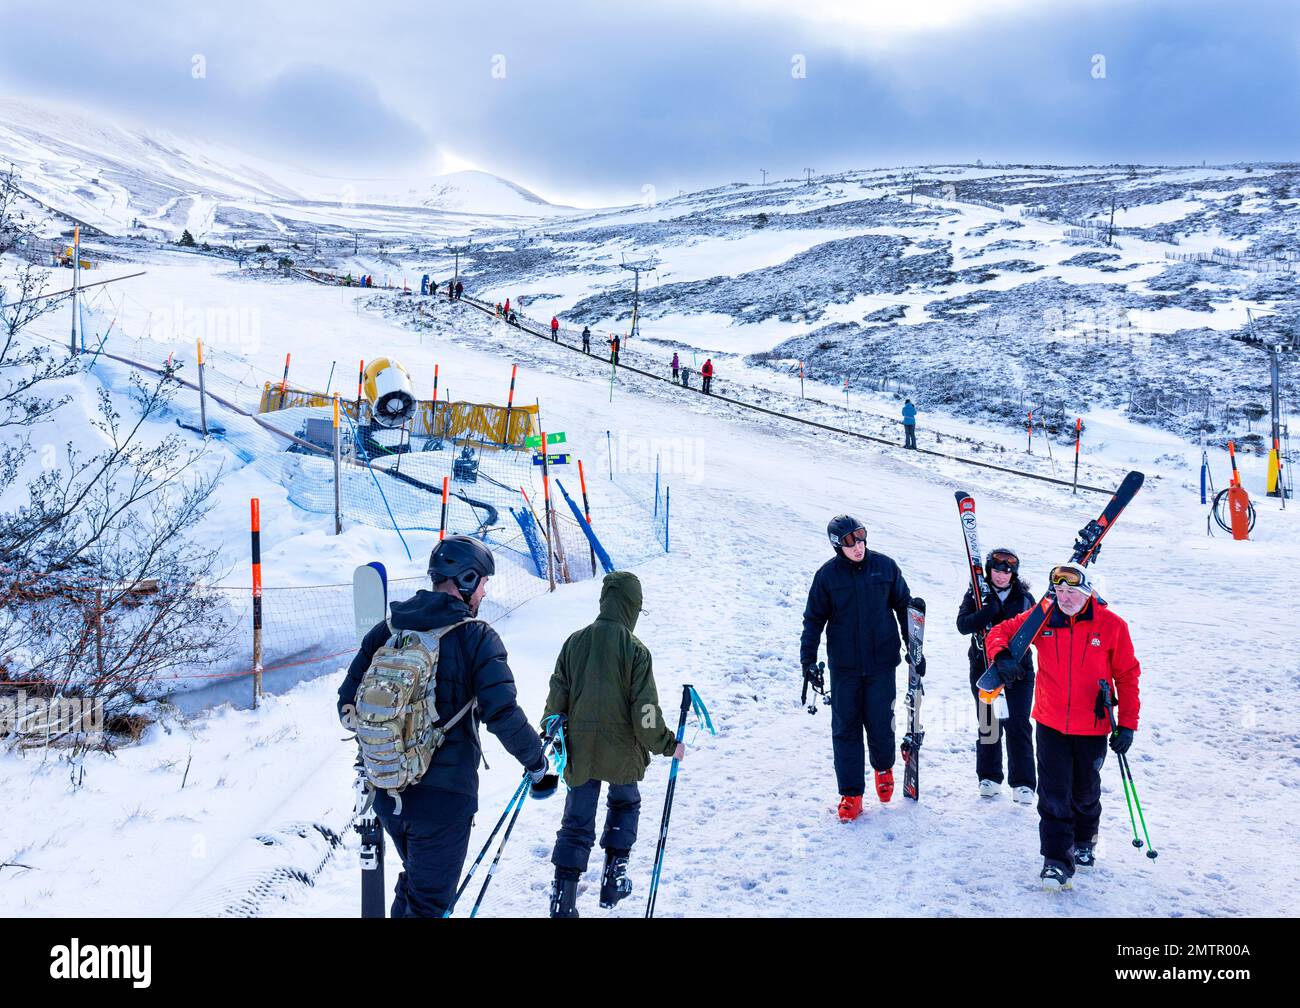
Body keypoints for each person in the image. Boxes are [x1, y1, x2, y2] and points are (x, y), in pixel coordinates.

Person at [337, 536, 548, 917]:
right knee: (429, 904)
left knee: (417, 888)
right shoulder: (477, 636)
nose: (485, 590)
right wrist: (537, 764)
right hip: (444, 802)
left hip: (388, 793)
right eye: (483, 581)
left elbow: (346, 706)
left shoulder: (386, 632)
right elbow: (502, 713)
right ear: (467, 580)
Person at [985, 562, 1142, 891]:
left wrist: (1127, 724)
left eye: (1071, 591)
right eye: (1058, 591)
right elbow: (998, 632)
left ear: (1087, 592)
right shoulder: (1043, 620)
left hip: (1093, 725)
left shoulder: (1111, 625)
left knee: (1084, 793)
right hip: (1051, 722)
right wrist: (1001, 656)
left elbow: (1127, 675)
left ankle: (1085, 839)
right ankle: (1056, 861)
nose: (1064, 597)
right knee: (1054, 795)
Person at [543, 571, 684, 917]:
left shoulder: (574, 642)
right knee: (624, 804)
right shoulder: (635, 650)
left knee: (576, 821)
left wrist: (550, 731)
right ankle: (613, 880)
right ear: (632, 606)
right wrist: (667, 744)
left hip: (581, 751)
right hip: (622, 752)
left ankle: (564, 898)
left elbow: (555, 701)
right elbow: (646, 713)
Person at [800, 515, 919, 821]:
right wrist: (808, 661)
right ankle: (851, 794)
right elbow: (813, 620)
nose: (859, 546)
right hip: (845, 668)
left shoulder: (886, 567)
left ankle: (883, 769)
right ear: (838, 545)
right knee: (845, 730)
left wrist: (914, 649)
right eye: (851, 542)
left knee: (881, 723)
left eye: (862, 538)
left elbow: (905, 607)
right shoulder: (827, 577)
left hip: (881, 664)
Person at [956, 548, 1035, 802]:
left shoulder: (1024, 598)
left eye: (1007, 572)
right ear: (989, 571)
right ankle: (989, 777)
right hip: (984, 667)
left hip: (1018, 670)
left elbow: (1035, 629)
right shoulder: (977, 595)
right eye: (997, 571)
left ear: (1014, 574)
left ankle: (1022, 782)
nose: (1001, 576)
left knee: (1018, 722)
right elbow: (963, 625)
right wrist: (987, 610)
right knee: (989, 721)